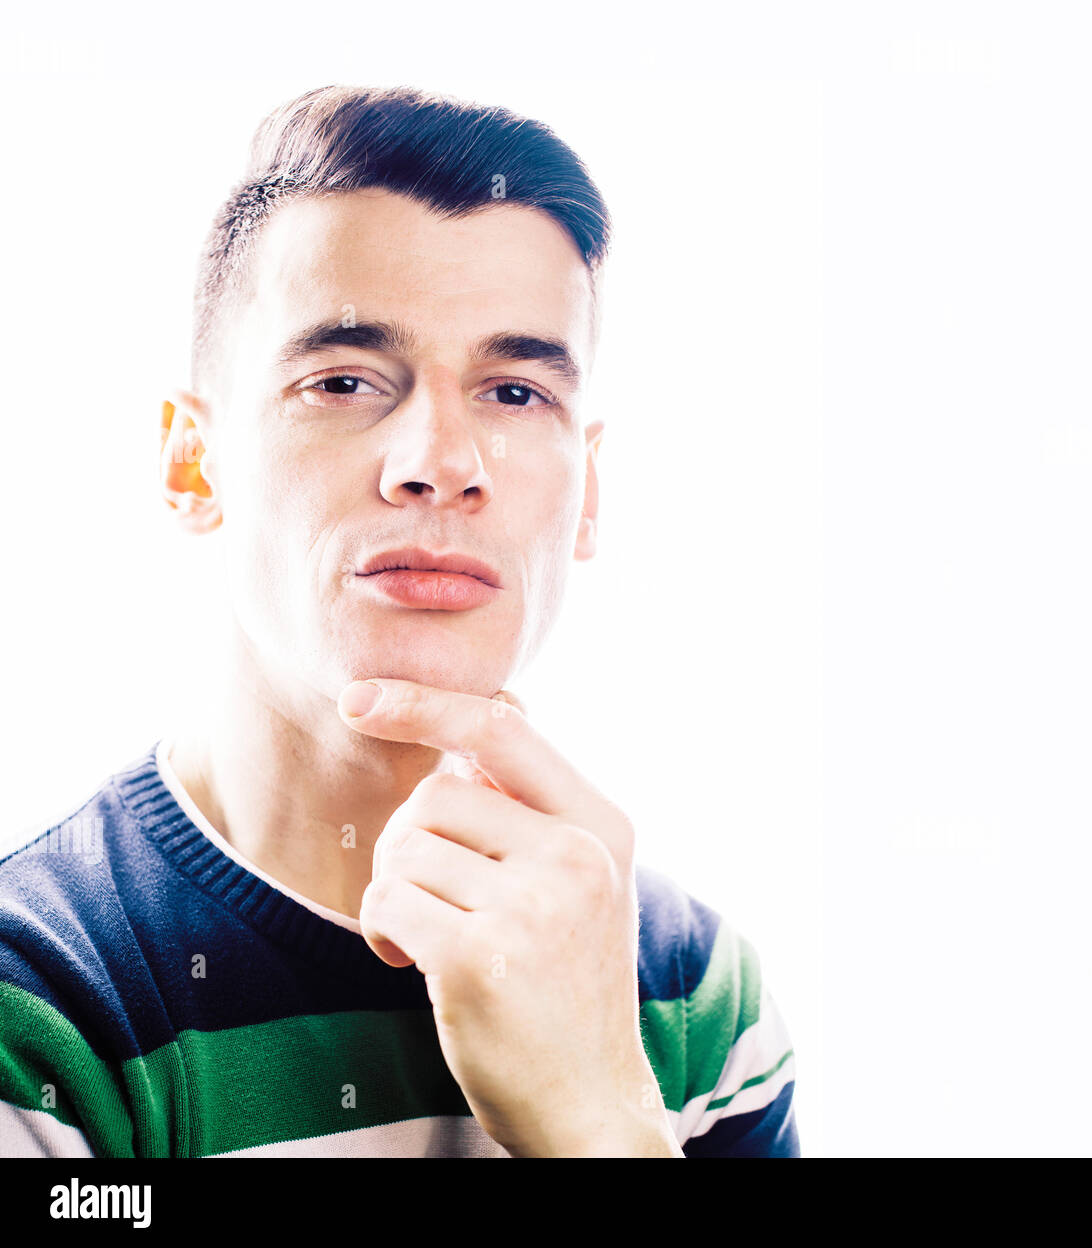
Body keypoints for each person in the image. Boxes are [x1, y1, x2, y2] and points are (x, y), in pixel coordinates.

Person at [0, 85, 799, 1158]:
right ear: (193, 462)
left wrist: (598, 1119)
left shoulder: (692, 993)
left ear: (589, 493)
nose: (440, 463)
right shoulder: (38, 1008)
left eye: (515, 393)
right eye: (343, 380)